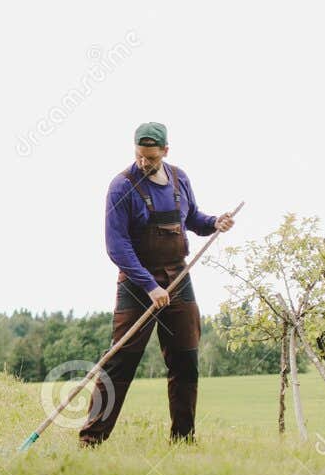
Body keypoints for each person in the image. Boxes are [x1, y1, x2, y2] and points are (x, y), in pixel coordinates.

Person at [79, 122, 235, 447]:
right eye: (139, 156)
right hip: (137, 283)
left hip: (178, 278)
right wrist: (150, 286)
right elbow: (116, 245)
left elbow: (191, 219)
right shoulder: (121, 187)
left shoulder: (180, 178)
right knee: (120, 360)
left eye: (150, 157)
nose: (144, 163)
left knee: (185, 361)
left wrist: (214, 223)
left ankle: (182, 440)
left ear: (165, 151)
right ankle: (91, 439)